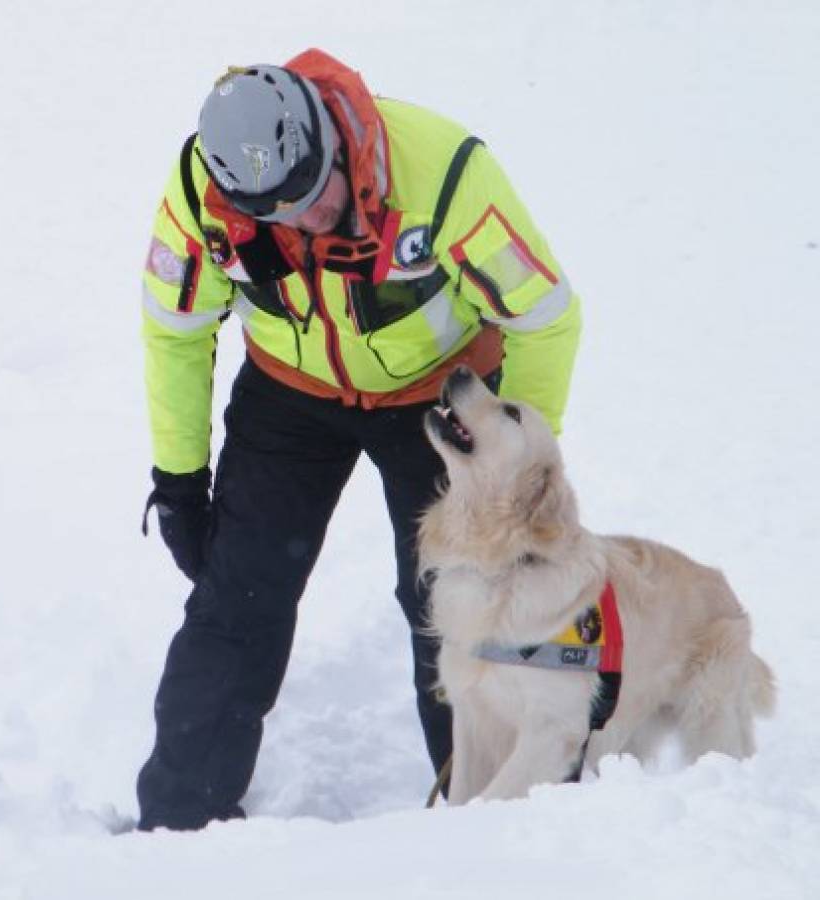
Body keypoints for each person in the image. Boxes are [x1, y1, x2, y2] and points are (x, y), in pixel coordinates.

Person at [137, 48, 581, 831]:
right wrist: (178, 481)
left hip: (439, 401)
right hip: (291, 395)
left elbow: (545, 317)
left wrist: (510, 469)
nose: (309, 221)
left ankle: (495, 821)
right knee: (237, 598)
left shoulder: (444, 173)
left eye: (315, 199)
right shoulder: (205, 197)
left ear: (333, 146)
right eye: (283, 215)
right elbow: (174, 326)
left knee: (458, 603)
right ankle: (179, 827)